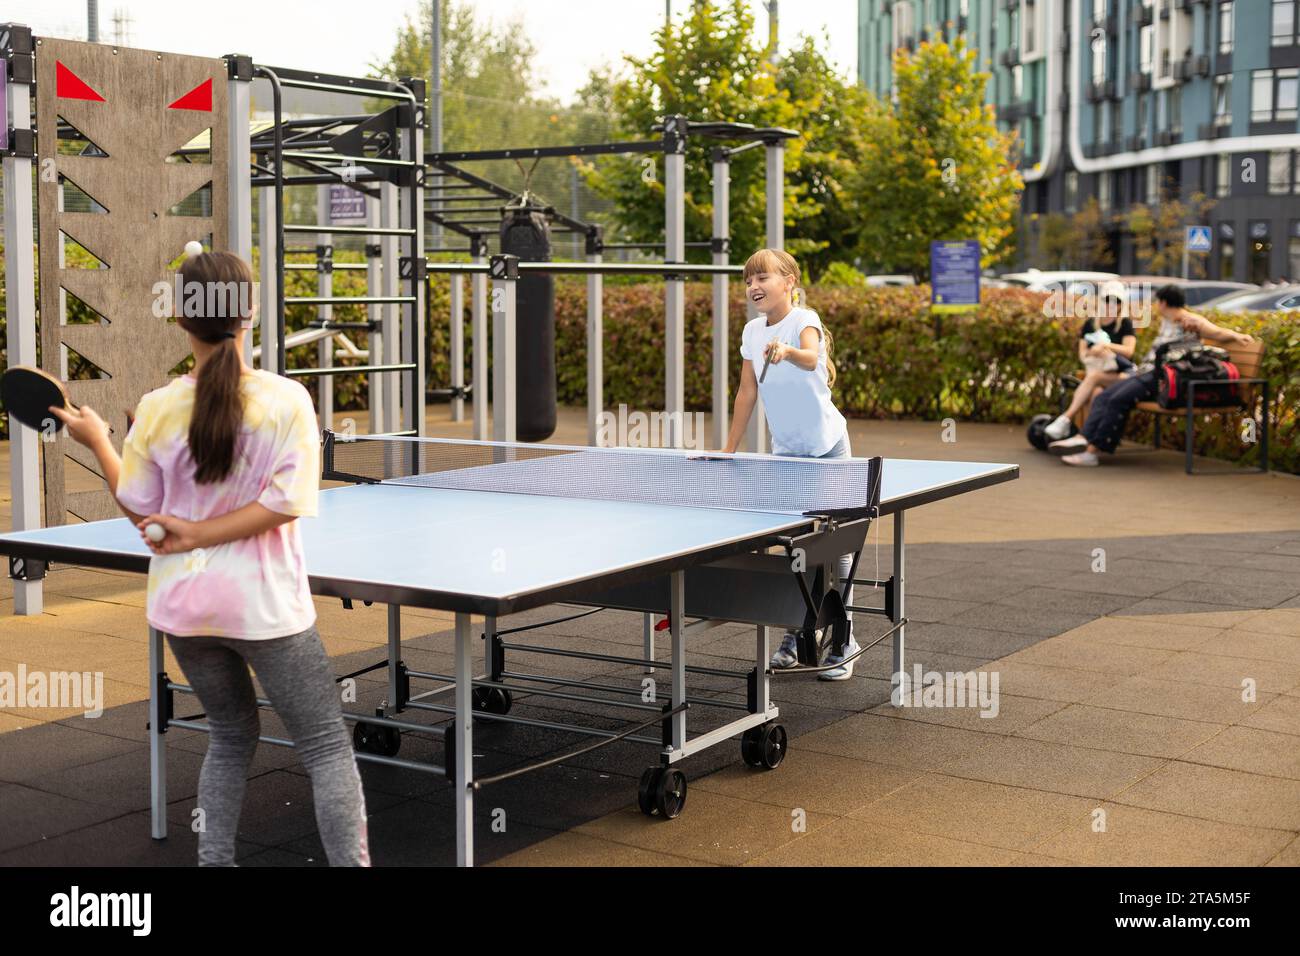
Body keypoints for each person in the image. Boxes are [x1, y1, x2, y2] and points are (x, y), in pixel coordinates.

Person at [52, 250, 370, 866]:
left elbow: (145, 517)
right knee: (327, 748)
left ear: (178, 319)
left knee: (229, 738)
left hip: (185, 612)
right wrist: (199, 532)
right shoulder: (287, 400)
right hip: (265, 608)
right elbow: (287, 504)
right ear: (250, 313)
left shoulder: (157, 407)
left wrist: (98, 443)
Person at [721, 248, 859, 680]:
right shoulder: (751, 332)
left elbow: (812, 356)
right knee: (794, 548)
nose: (753, 286)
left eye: (762, 277)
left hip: (829, 447)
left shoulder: (804, 320)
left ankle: (843, 638)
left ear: (789, 283)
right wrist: (728, 450)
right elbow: (746, 393)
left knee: (836, 548)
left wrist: (787, 352)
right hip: (789, 455)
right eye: (748, 281)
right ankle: (794, 637)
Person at [1050, 283, 1254, 467]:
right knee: (1105, 395)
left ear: (1164, 302)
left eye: (1157, 302)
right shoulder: (1169, 319)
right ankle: (1083, 438)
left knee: (1117, 399)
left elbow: (1215, 332)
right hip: (1146, 373)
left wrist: (1237, 335)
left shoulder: (1188, 319)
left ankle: (1092, 452)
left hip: (1160, 377)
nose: (1156, 306)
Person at [1043, 280, 1138, 441]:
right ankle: (1089, 440)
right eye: (1108, 300)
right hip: (1097, 373)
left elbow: (1129, 352)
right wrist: (1094, 352)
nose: (1112, 305)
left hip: (1120, 376)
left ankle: (1067, 419)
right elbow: (1083, 354)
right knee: (1096, 392)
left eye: (1117, 301)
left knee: (1094, 381)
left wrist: (1106, 346)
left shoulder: (1125, 324)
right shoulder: (1091, 324)